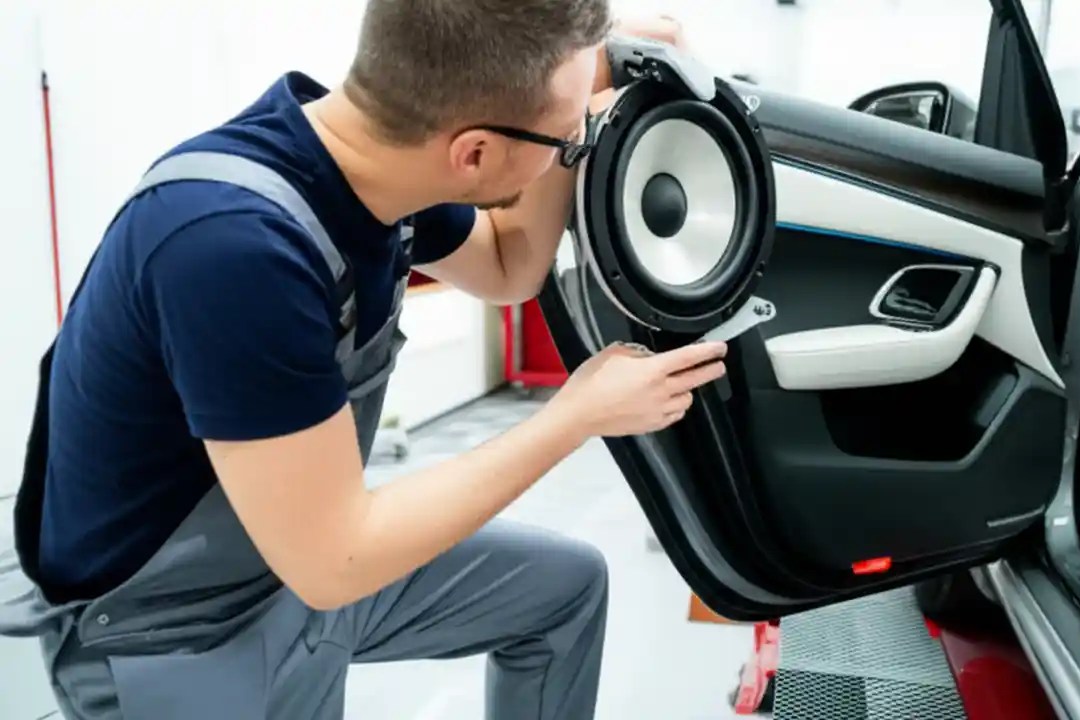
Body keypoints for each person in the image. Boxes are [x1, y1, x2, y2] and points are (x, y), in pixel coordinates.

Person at [0, 2, 728, 719]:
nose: (570, 153)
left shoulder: (376, 162)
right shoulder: (233, 252)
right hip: (177, 631)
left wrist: (588, 81)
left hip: (291, 563)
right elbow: (334, 562)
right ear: (472, 154)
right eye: (567, 145)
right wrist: (577, 415)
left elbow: (511, 263)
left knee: (563, 590)